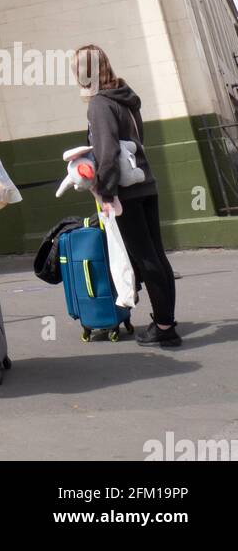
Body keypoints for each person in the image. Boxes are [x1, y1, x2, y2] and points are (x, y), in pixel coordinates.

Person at [74, 44, 181, 347]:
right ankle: (165, 320)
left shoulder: (99, 104)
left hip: (125, 193)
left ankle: (164, 328)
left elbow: (107, 153)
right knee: (157, 256)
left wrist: (106, 194)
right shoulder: (127, 98)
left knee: (145, 259)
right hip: (146, 184)